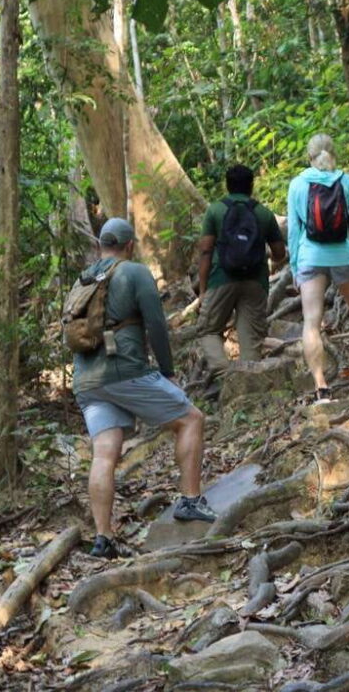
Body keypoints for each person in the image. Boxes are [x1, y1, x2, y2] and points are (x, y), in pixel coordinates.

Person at [71, 218, 216, 559]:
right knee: (191, 419)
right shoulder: (134, 272)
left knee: (104, 452)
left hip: (86, 379)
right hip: (125, 371)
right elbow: (156, 324)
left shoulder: (84, 279)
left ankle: (103, 539)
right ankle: (191, 501)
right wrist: (167, 371)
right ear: (129, 245)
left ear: (101, 245)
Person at [287, 134, 349, 403]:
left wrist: (295, 267)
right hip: (342, 255)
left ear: (309, 157)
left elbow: (294, 232)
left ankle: (321, 387)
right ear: (334, 153)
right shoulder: (347, 181)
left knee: (312, 322)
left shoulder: (297, 185)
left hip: (309, 258)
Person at [197, 164, 286, 377]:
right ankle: (250, 380)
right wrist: (271, 264)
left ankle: (225, 374)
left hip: (221, 279)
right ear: (251, 186)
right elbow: (279, 252)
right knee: (251, 339)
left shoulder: (215, 210)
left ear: (227, 186)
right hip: (256, 282)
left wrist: (203, 290)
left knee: (208, 330)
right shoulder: (264, 213)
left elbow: (206, 251)